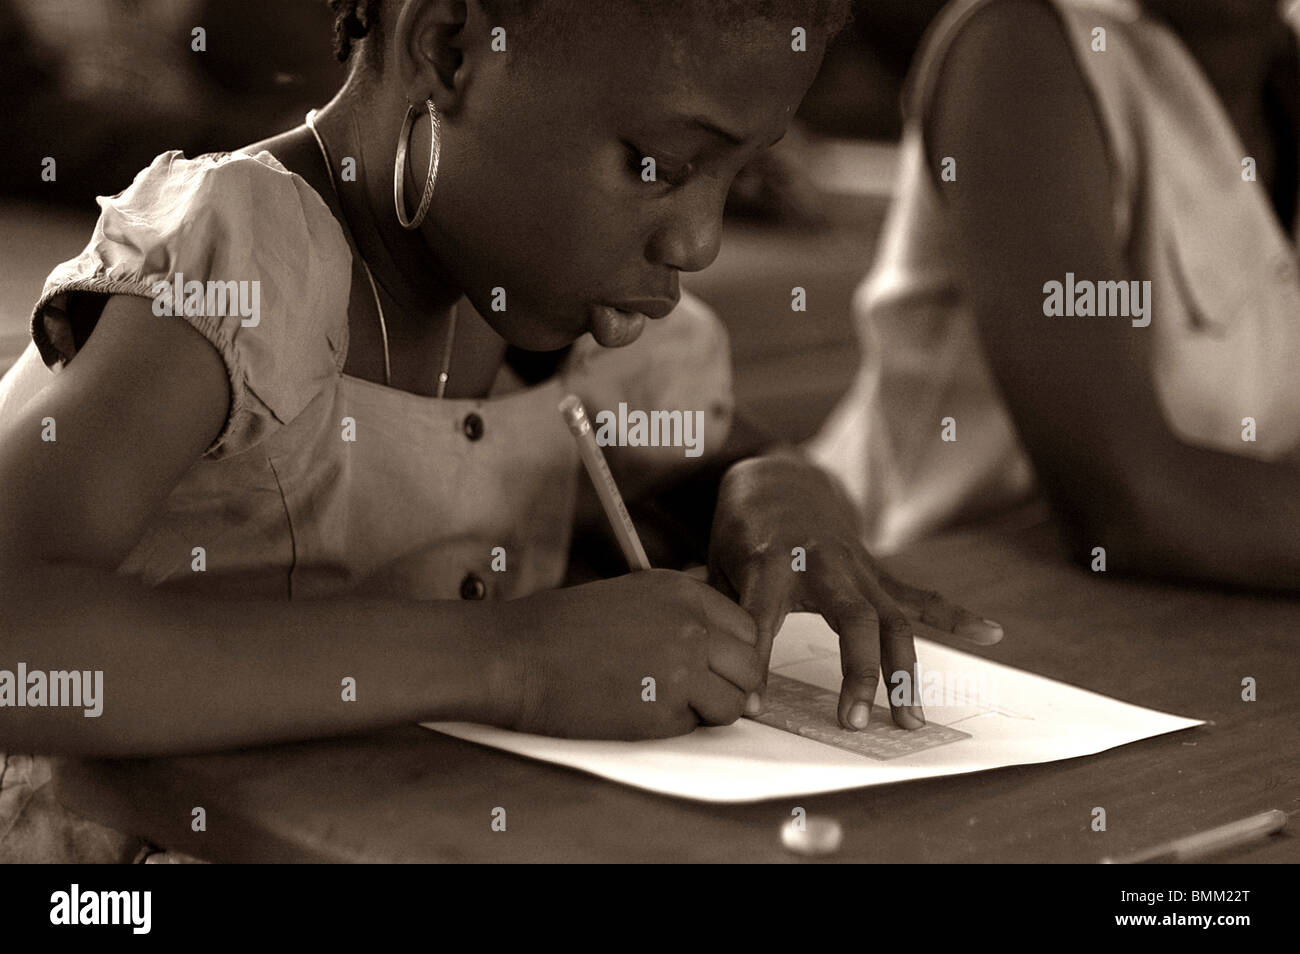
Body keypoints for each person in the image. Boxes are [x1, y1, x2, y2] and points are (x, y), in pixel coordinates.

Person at [0, 0, 1002, 861]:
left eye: (732, 179)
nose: (698, 240)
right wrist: (509, 658)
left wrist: (775, 490)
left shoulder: (564, 309)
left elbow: (712, 460)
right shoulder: (236, 272)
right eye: (657, 164)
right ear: (450, 50)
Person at [810, 0, 1300, 591]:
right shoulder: (1022, 46)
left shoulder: (1278, 65)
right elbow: (1129, 502)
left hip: (1181, 609)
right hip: (930, 599)